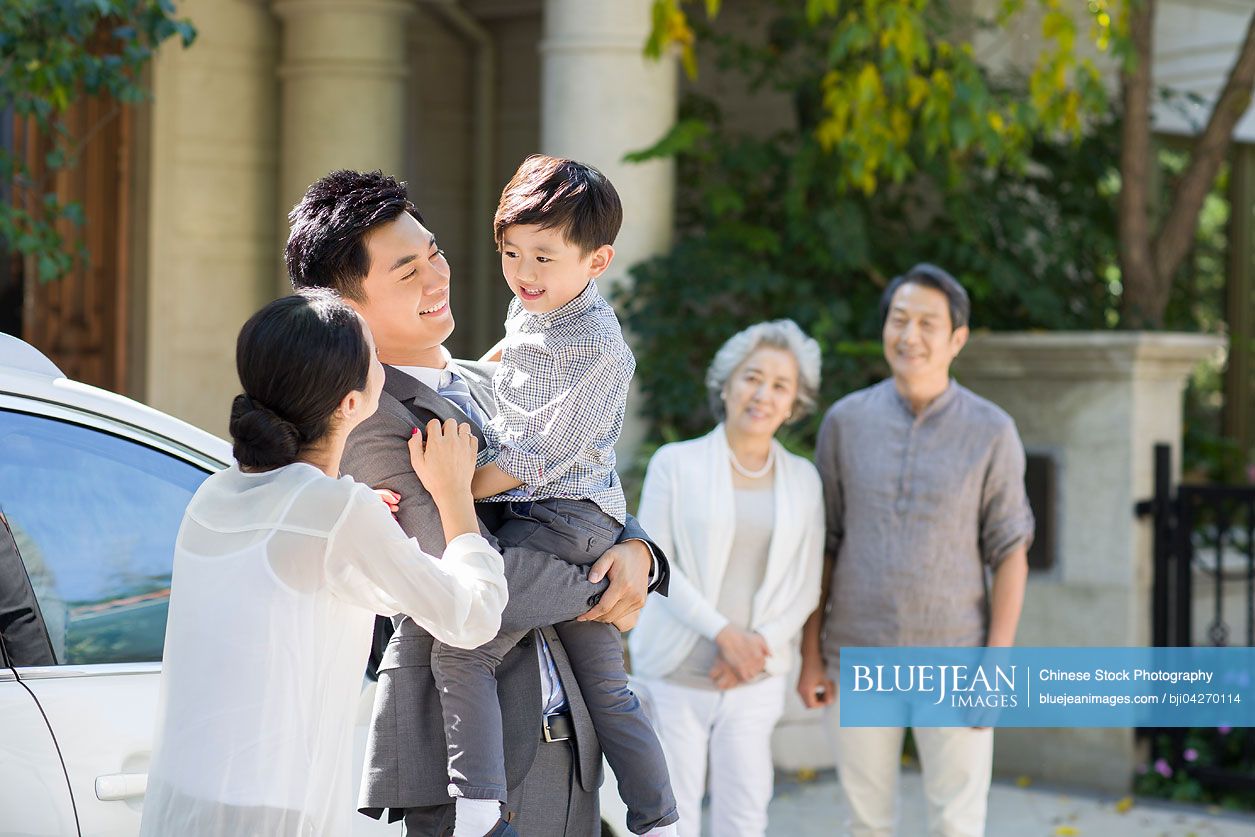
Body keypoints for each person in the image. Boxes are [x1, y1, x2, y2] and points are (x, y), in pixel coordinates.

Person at [284, 169, 670, 837]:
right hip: (470, 775)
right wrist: (601, 583)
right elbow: (463, 586)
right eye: (407, 271)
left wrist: (638, 550)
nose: (438, 277)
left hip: (571, 757)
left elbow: (573, 470)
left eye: (433, 252)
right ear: (347, 308)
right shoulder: (369, 425)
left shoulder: (501, 372)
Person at [139, 290, 508, 837]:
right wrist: (454, 496)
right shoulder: (336, 511)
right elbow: (472, 618)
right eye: (374, 355)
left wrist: (361, 524)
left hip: (179, 803)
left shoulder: (214, 494)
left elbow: (317, 577)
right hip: (271, 814)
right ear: (350, 404)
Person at [429, 154, 678, 837]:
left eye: (543, 257)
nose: (523, 272)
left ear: (597, 261)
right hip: (555, 516)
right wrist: (462, 371)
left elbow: (531, 459)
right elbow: (510, 358)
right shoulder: (537, 305)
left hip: (563, 518)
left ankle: (477, 810)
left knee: (466, 642)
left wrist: (453, 485)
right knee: (607, 689)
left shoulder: (600, 348)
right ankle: (659, 821)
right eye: (510, 252)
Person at [797, 264, 1034, 837]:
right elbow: (825, 544)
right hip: (855, 655)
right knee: (866, 822)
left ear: (957, 338)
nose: (910, 335)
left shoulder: (992, 430)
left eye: (928, 323)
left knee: (957, 822)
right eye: (899, 320)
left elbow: (1010, 550)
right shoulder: (845, 421)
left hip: (957, 659)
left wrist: (997, 666)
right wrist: (811, 654)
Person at [629, 319, 826, 837]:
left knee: (745, 814)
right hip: (675, 672)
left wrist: (752, 648)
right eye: (752, 378)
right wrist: (725, 636)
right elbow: (655, 564)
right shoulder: (676, 464)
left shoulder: (804, 480)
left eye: (780, 385)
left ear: (794, 403)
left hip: (755, 676)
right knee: (671, 819)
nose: (763, 394)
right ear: (727, 384)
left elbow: (807, 585)